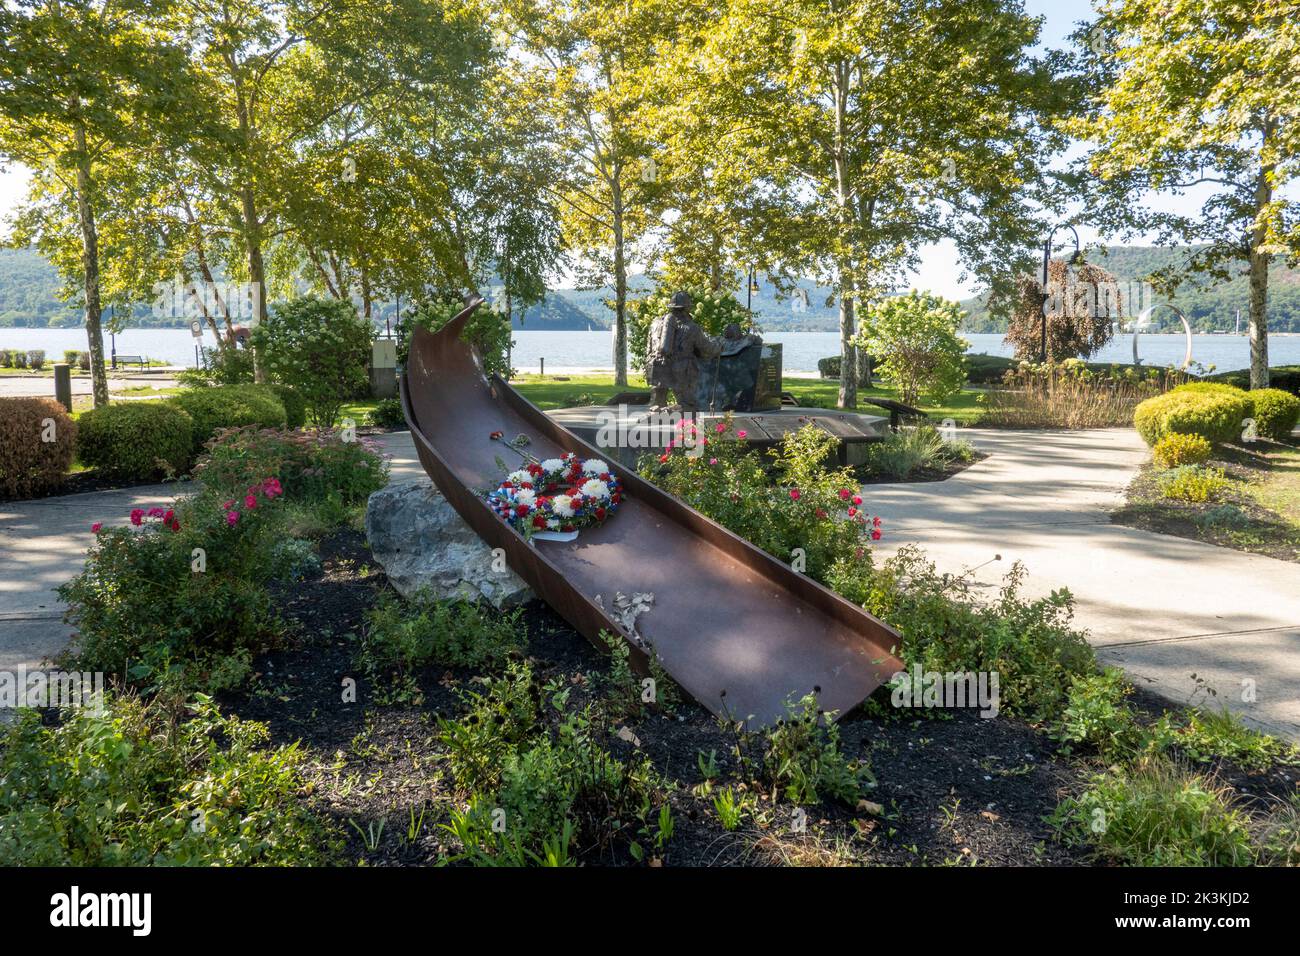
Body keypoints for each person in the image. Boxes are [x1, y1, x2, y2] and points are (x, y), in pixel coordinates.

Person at [646, 291, 721, 411]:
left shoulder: (654, 324)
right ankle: (676, 415)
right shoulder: (691, 328)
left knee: (656, 404)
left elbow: (649, 348)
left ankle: (660, 415)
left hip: (656, 367)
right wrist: (719, 346)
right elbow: (707, 349)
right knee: (688, 405)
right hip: (680, 370)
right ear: (687, 308)